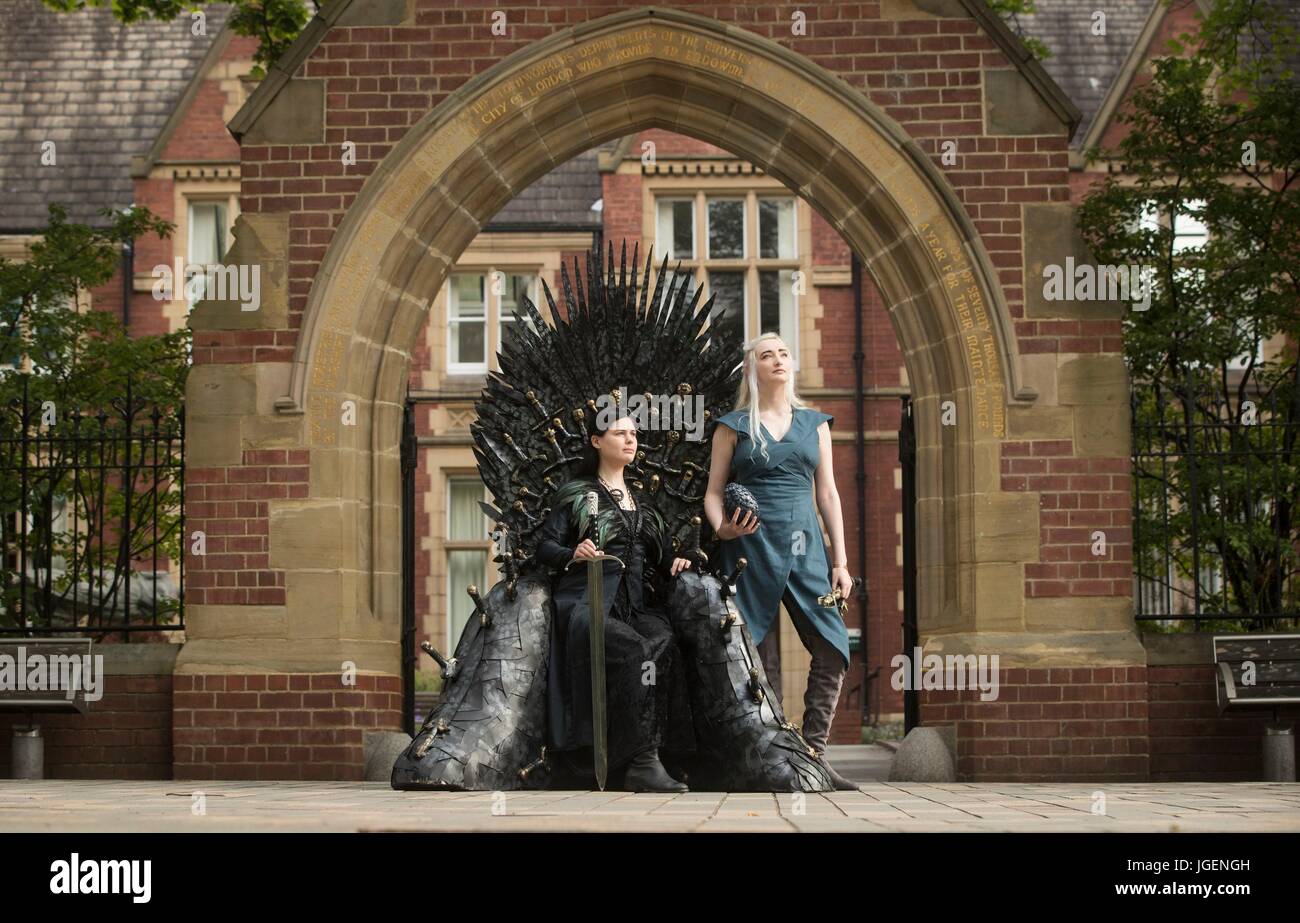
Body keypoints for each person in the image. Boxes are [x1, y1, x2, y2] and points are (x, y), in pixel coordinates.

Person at [704, 332, 858, 790]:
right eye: (766, 355)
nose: (777, 360)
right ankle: (774, 760)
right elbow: (713, 493)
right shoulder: (733, 426)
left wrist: (840, 562)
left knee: (833, 645)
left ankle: (814, 755)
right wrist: (721, 529)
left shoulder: (815, 424)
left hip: (807, 547)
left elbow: (827, 494)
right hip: (749, 549)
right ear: (752, 369)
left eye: (784, 353)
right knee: (758, 657)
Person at [534, 414, 697, 792]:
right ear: (596, 441)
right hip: (587, 604)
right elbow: (544, 547)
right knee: (638, 650)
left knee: (664, 644)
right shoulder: (576, 494)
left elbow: (664, 558)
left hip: (636, 608)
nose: (630, 440)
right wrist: (573, 553)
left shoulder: (644, 503)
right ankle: (642, 764)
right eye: (620, 433)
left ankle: (666, 757)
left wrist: (681, 560)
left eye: (634, 434)